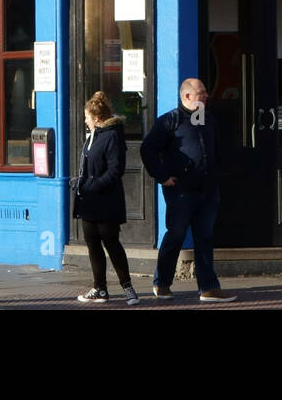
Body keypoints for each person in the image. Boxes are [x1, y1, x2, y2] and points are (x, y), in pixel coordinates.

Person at [139, 78, 236, 302]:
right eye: (201, 93)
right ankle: (162, 283)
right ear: (187, 97)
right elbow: (148, 149)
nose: (206, 96)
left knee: (205, 237)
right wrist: (162, 176)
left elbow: (215, 148)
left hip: (207, 189)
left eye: (205, 92)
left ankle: (208, 287)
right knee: (176, 235)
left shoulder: (207, 119)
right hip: (181, 191)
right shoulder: (170, 120)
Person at [72, 92, 139, 305]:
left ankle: (128, 288)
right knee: (92, 243)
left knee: (111, 243)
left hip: (106, 201)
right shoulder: (93, 136)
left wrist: (92, 185)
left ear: (97, 118)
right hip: (89, 201)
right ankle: (99, 288)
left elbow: (115, 170)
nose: (85, 121)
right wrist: (80, 182)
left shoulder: (111, 136)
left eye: (86, 117)